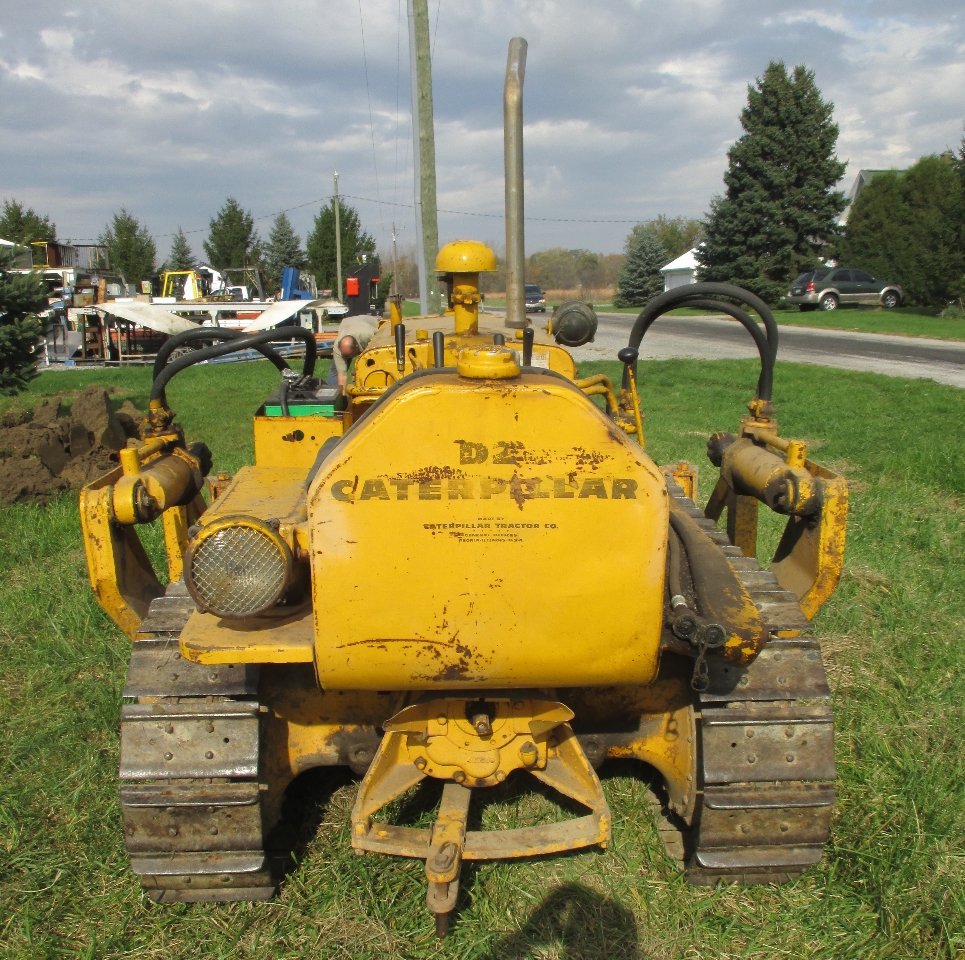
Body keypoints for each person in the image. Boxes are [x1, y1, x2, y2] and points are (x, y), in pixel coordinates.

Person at [327, 314, 379, 391]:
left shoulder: (369, 335)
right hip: (347, 323)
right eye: (346, 356)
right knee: (335, 371)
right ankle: (333, 396)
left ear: (357, 346)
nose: (349, 358)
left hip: (369, 323)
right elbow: (342, 376)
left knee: (374, 367)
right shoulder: (337, 348)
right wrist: (342, 398)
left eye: (351, 355)